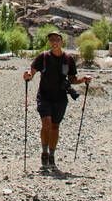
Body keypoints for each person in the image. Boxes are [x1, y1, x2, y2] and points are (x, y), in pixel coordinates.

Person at [23, 31, 91, 171]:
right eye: (51, 39)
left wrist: (84, 79)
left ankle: (52, 157)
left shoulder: (67, 59)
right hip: (44, 96)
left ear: (61, 42)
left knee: (55, 126)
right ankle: (44, 154)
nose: (54, 42)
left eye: (57, 39)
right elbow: (33, 70)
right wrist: (28, 76)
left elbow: (72, 79)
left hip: (60, 98)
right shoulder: (43, 57)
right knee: (46, 124)